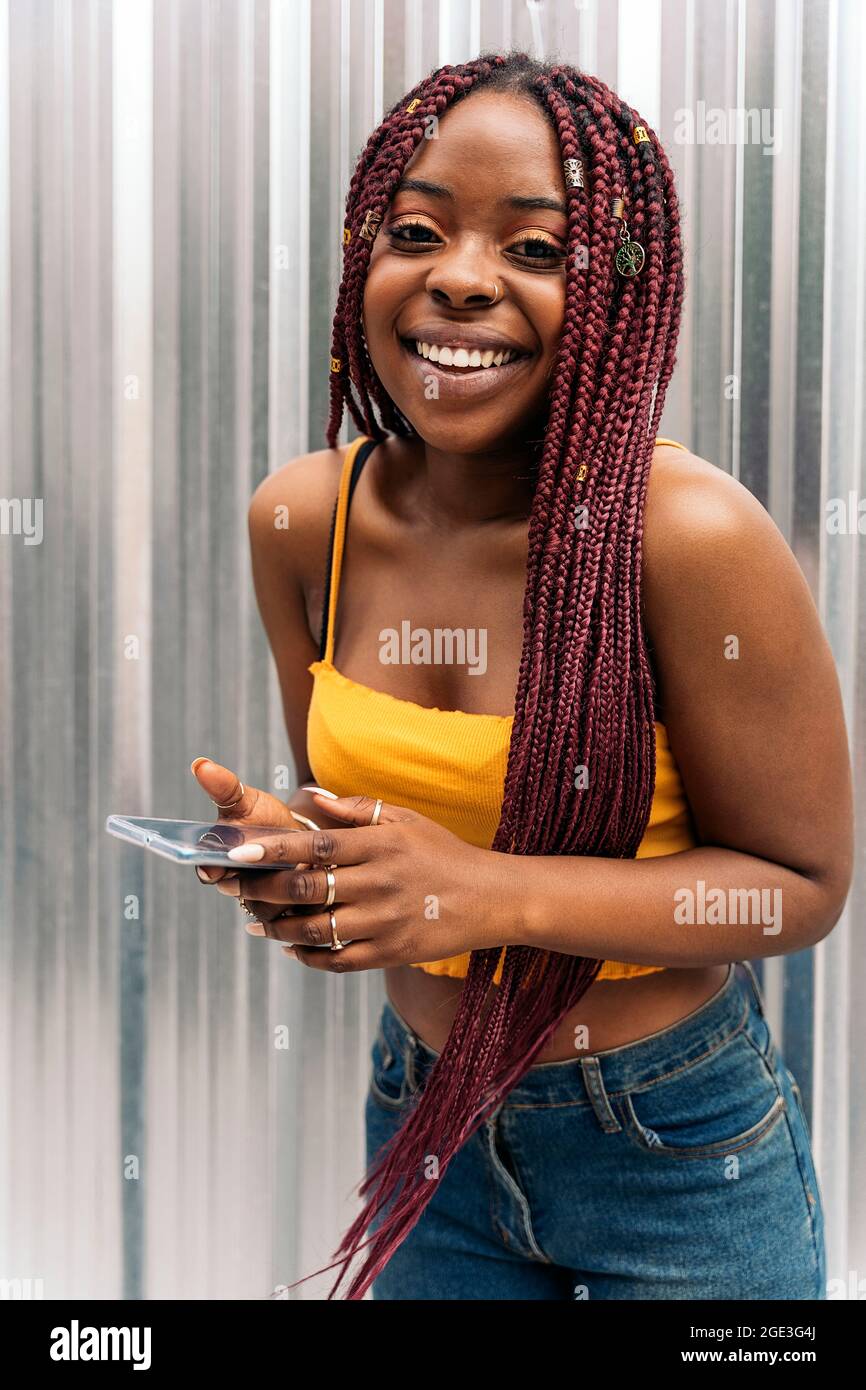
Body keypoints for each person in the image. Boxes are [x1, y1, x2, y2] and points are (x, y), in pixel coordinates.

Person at [191, 54, 852, 1301]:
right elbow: (383, 818)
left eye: (536, 249)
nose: (459, 276)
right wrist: (303, 863)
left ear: (616, 292)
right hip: (424, 1119)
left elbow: (797, 889)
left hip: (669, 1150)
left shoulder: (688, 537)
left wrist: (483, 895)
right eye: (416, 230)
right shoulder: (300, 522)